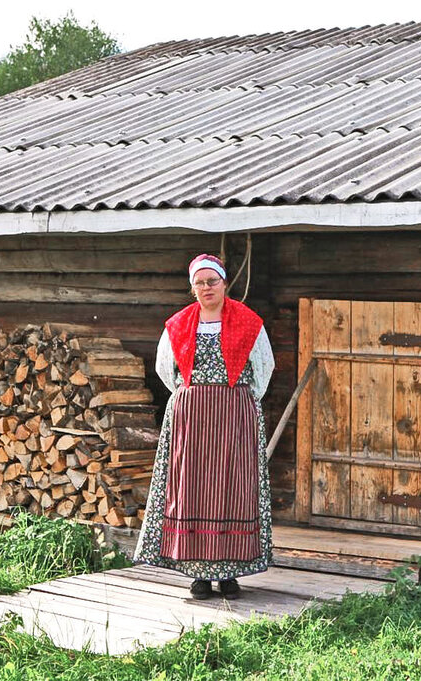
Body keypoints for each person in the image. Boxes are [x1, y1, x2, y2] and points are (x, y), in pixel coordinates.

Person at [133, 253, 275, 600]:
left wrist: (238, 401)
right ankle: (197, 575)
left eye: (213, 281)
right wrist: (194, 396)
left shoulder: (248, 322)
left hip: (235, 414)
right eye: (200, 282)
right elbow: (167, 372)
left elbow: (264, 368)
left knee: (233, 488)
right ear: (192, 287)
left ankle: (229, 574)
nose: (207, 287)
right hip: (191, 417)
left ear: (225, 284)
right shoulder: (178, 325)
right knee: (191, 487)